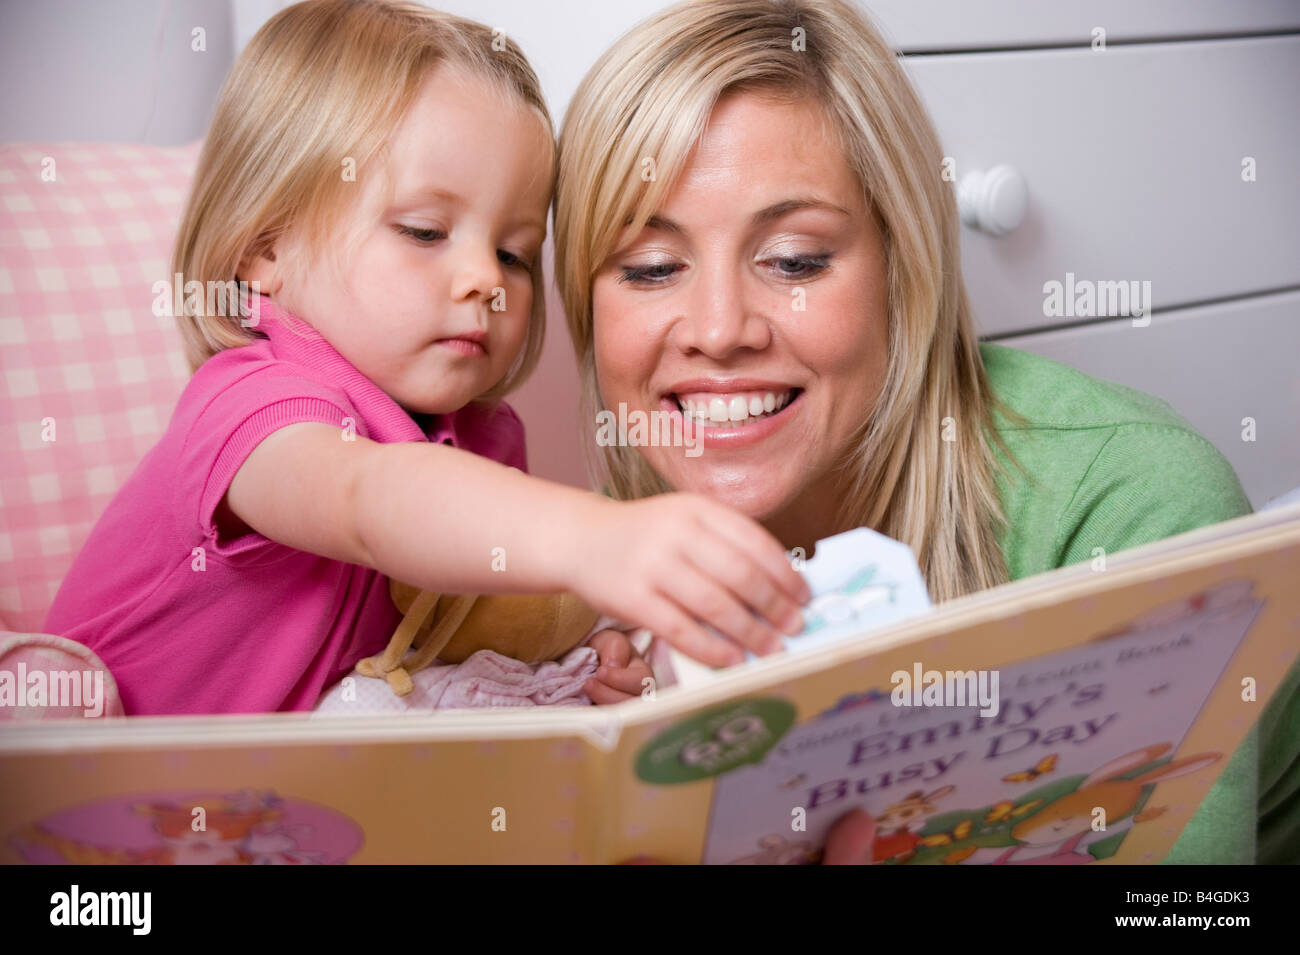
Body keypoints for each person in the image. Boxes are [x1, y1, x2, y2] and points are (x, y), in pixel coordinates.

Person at [553, 0, 1297, 862]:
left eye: (794, 259)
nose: (719, 330)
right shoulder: (617, 532)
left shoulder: (1136, 505)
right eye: (651, 268)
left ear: (904, 272)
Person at [44, 0, 810, 716]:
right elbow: (366, 499)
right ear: (262, 249)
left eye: (514, 254)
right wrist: (594, 540)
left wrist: (573, 658)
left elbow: (443, 641)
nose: (486, 279)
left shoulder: (479, 439)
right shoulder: (251, 403)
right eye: (424, 231)